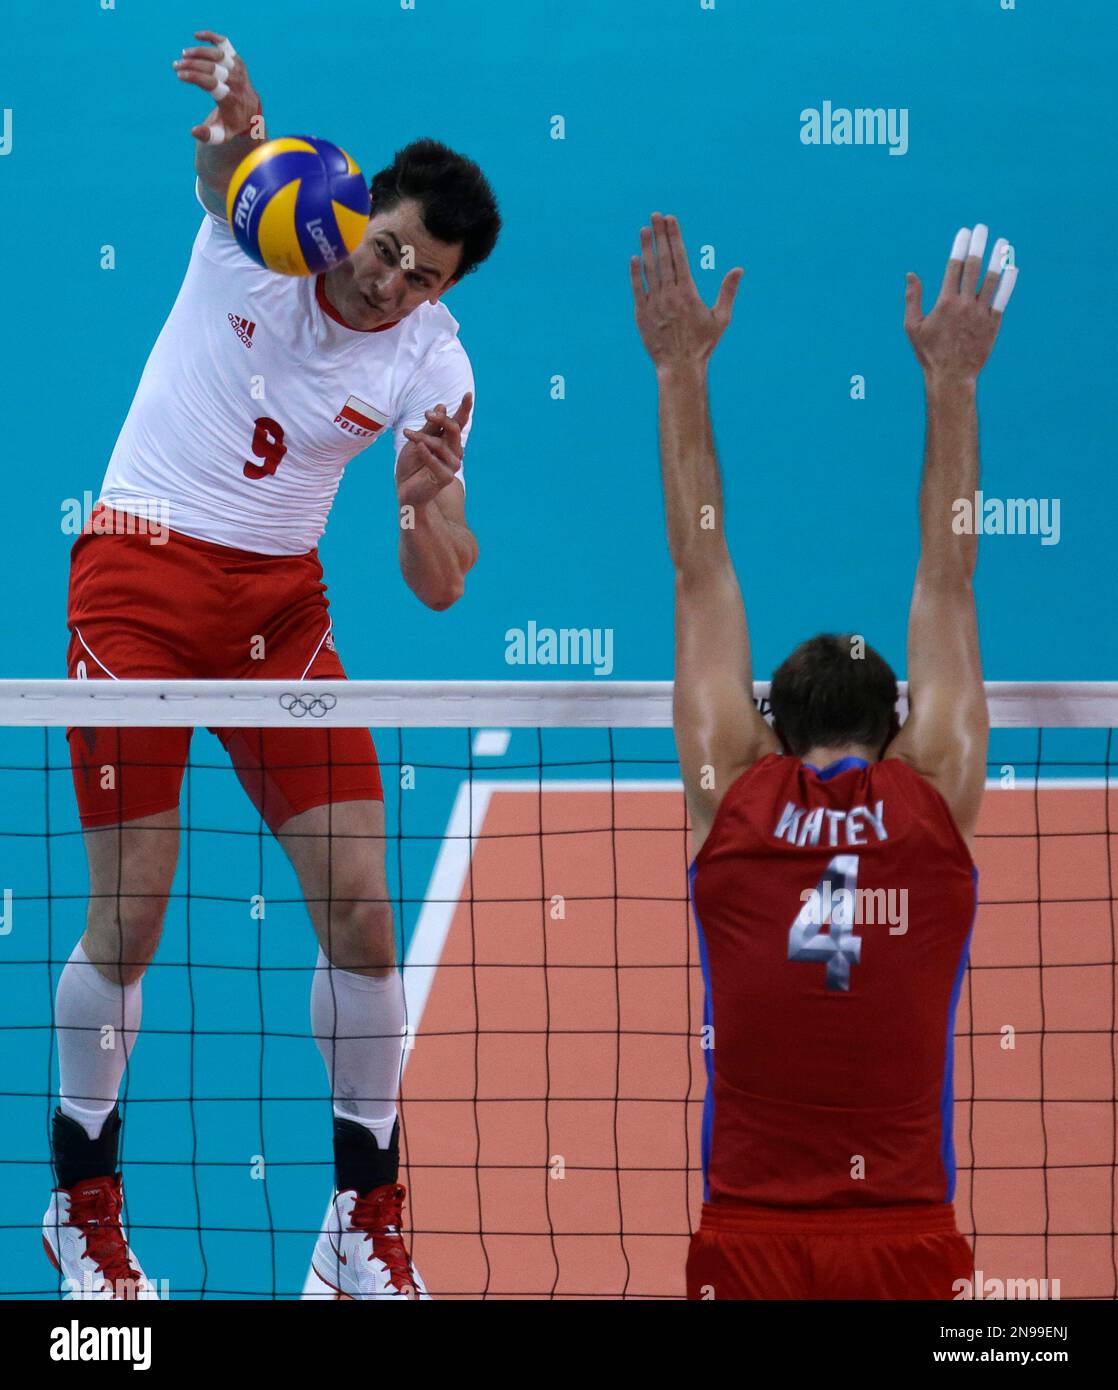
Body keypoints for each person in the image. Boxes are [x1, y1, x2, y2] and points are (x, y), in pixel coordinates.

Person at [43, 28, 500, 1301]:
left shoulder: (434, 365)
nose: (389, 282)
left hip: (280, 610)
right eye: (389, 246)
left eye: (423, 277)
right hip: (134, 581)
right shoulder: (272, 228)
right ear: (362, 212)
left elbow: (441, 579)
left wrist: (418, 502)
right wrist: (239, 128)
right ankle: (84, 1211)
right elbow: (226, 174)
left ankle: (360, 1222)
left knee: (363, 912)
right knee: (130, 916)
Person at [629, 212, 1017, 1299]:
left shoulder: (733, 791)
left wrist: (678, 370)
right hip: (904, 1232)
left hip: (747, 1231)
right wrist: (950, 381)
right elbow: (949, 572)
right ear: (897, 726)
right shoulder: (934, 791)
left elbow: (696, 562)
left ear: (769, 731)